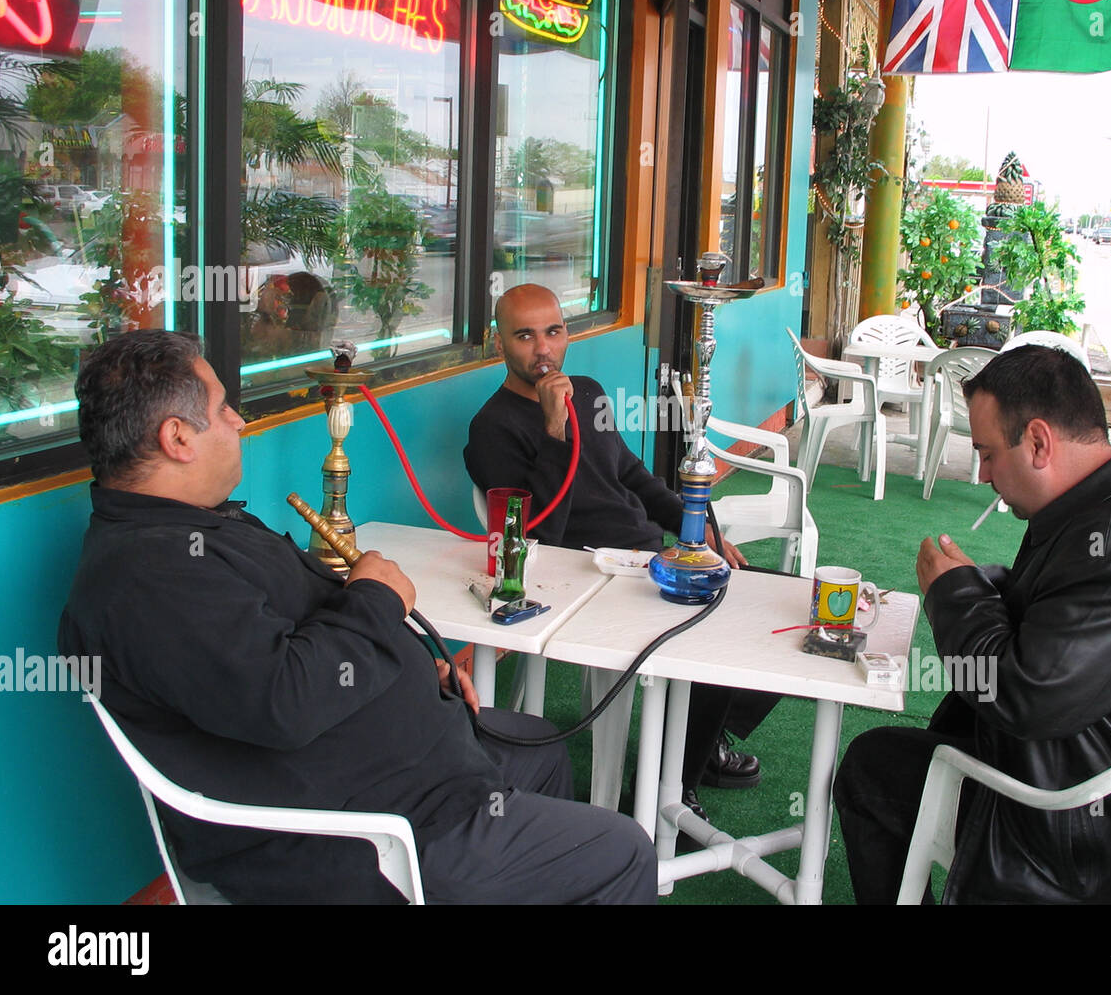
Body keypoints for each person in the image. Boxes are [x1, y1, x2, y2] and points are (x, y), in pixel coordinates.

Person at [58, 329, 656, 904]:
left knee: (540, 748)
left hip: (397, 771)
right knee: (623, 849)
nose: (238, 421)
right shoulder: (149, 576)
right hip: (356, 835)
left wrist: (426, 672)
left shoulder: (194, 527)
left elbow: (291, 638)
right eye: (220, 410)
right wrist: (376, 599)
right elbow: (284, 699)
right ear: (177, 439)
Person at [832, 344, 1111, 904]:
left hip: (1097, 814)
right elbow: (1065, 617)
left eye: (990, 454)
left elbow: (1019, 695)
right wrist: (984, 581)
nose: (985, 474)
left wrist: (954, 595)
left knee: (872, 769)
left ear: (1039, 442)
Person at [463, 284, 778, 814]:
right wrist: (553, 431)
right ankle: (665, 790)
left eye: (554, 332)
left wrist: (698, 529)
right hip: (582, 574)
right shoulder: (489, 429)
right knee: (713, 630)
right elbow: (536, 528)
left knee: (769, 609)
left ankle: (702, 739)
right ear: (500, 345)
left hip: (645, 557)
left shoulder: (586, 390)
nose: (543, 348)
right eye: (525, 335)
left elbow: (629, 474)